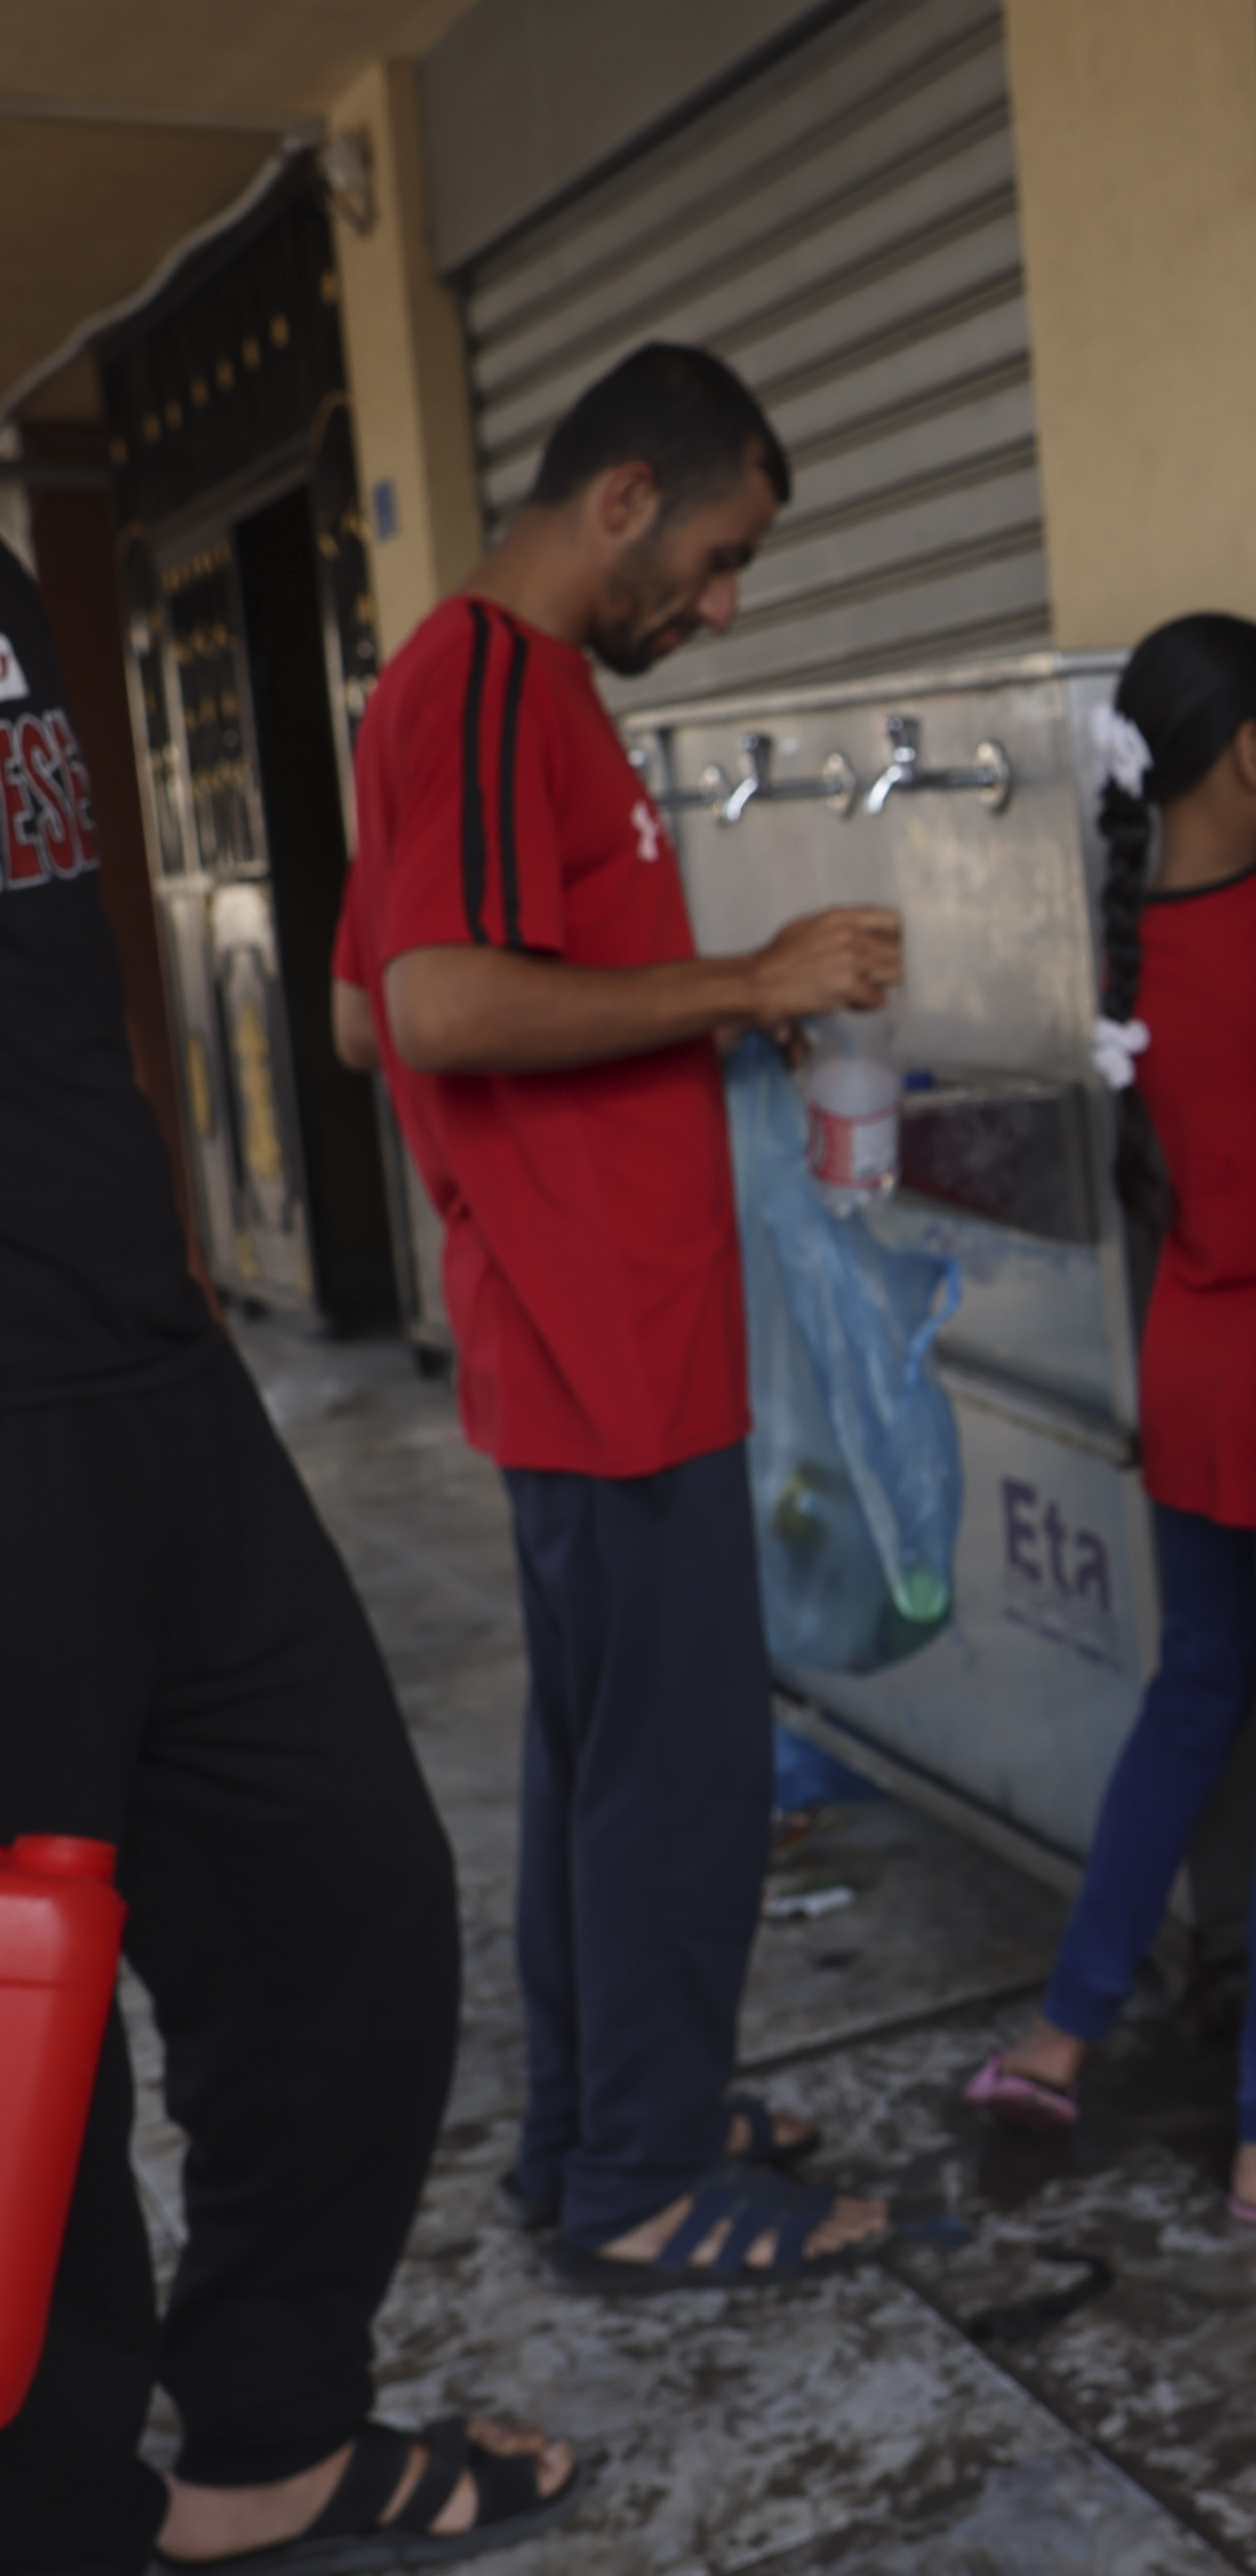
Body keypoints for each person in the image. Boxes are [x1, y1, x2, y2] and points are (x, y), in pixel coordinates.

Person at [0, 540, 580, 2571]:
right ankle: (63, 2517)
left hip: (143, 1370)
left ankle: (269, 2432)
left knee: (347, 1910)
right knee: (16, 2099)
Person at [333, 342, 905, 2291]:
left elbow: (355, 1002)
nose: (723, 604)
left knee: (606, 1765)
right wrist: (739, 979)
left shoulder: (441, 685)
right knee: (679, 1776)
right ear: (626, 503)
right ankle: (646, 2181)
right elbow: (435, 1006)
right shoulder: (498, 680)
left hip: (566, 1322)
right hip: (607, 1332)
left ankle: (602, 2123)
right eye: (722, 556)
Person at [961, 615, 1256, 2227]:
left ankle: (1060, 2034)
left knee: (1192, 1693)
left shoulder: (1136, 949)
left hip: (1192, 1376)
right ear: (1255, 756)